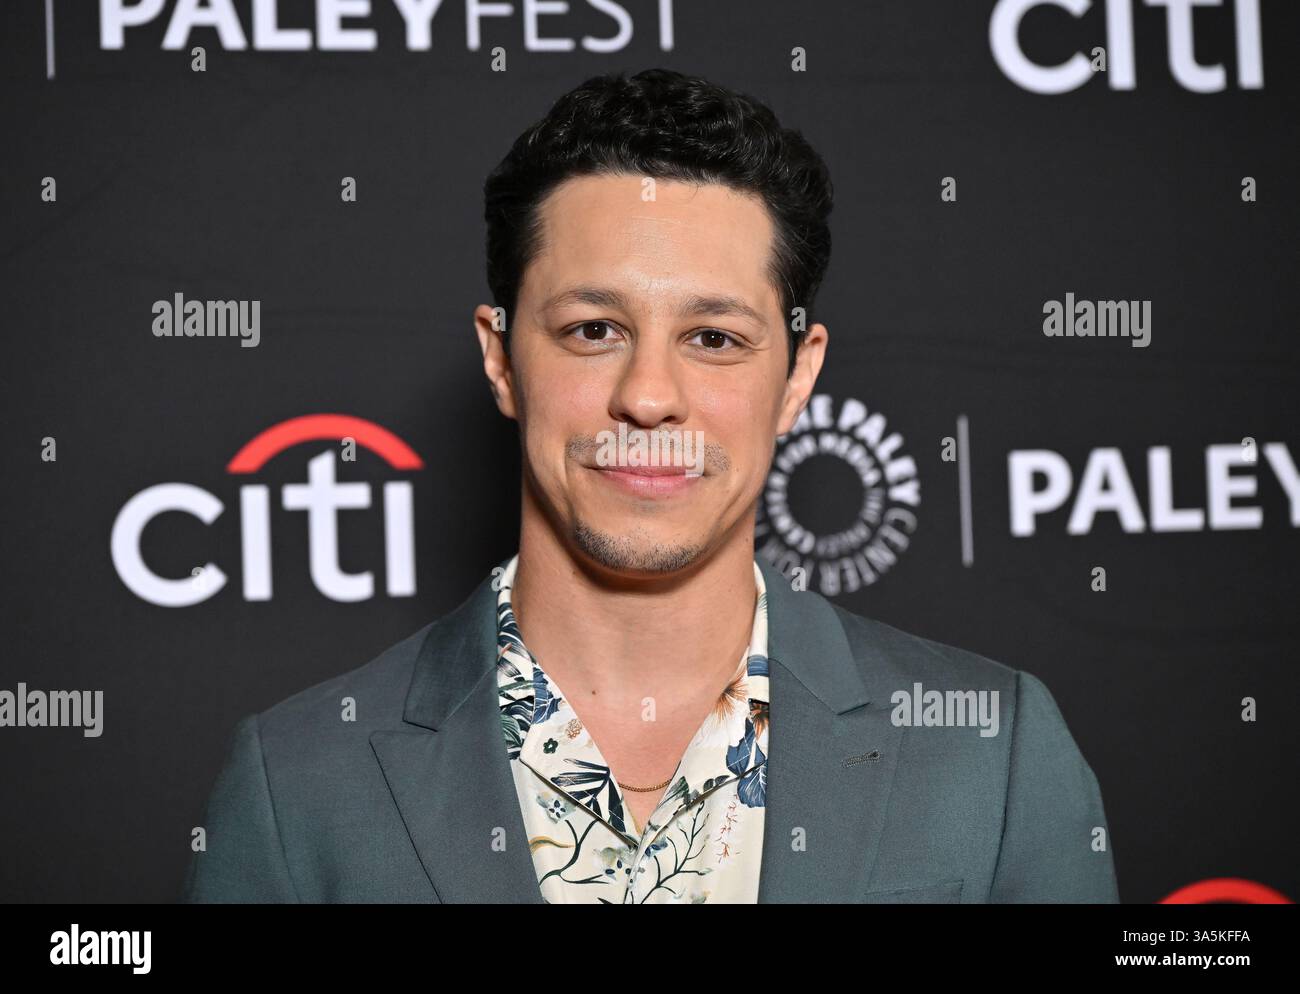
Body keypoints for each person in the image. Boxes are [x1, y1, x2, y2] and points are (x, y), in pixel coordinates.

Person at [182, 68, 1118, 904]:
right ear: (502, 359)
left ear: (796, 379)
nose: (648, 396)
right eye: (594, 329)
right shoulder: (298, 782)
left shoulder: (994, 754)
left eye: (714, 338)